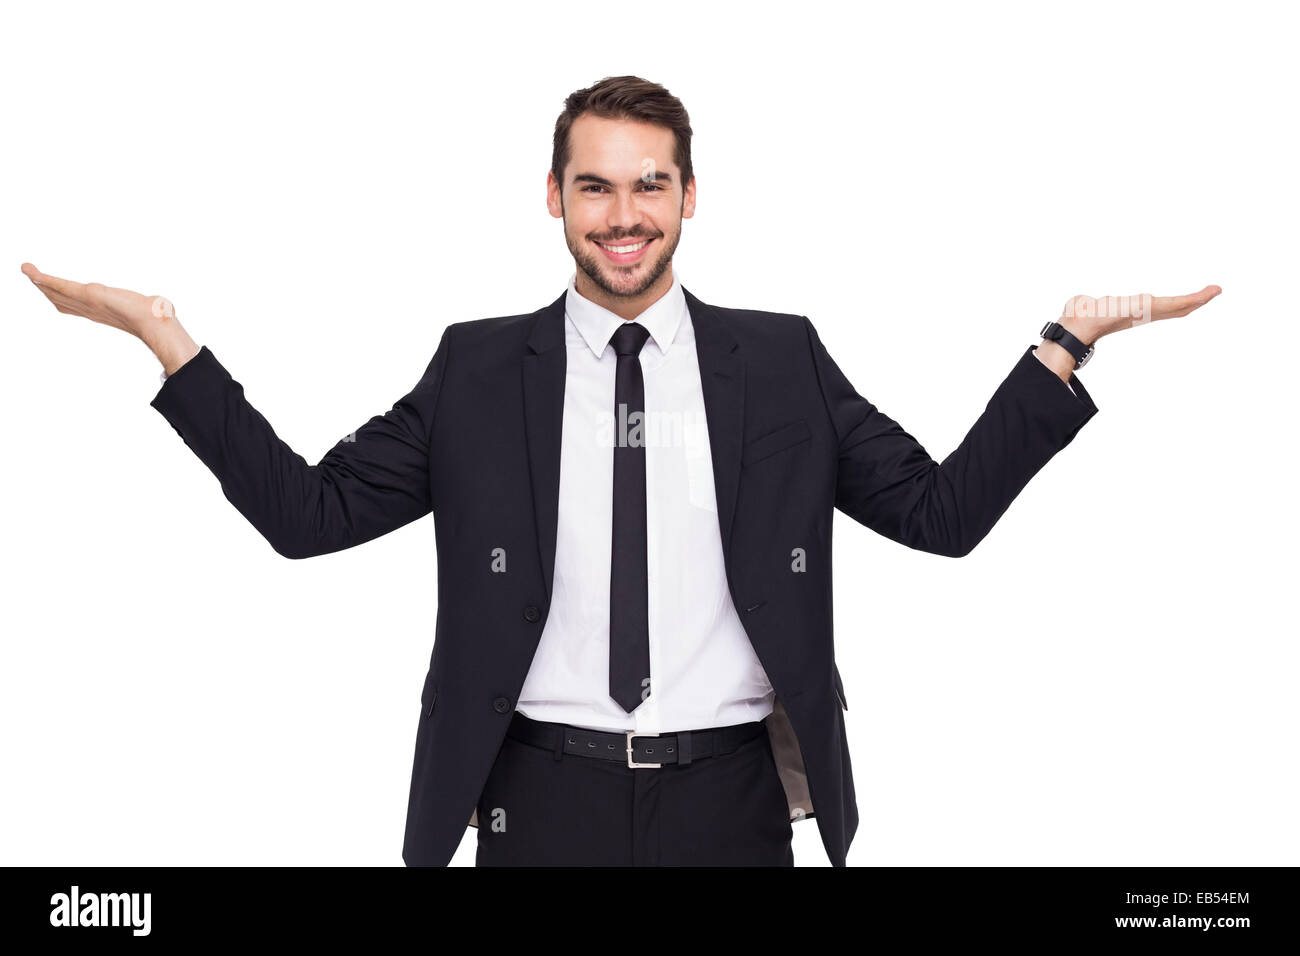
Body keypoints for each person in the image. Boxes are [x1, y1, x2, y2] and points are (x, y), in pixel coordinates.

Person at [22, 74, 1222, 867]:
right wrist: (167, 338)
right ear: (554, 199)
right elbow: (307, 515)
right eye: (594, 185)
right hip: (538, 797)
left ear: (689, 197)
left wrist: (1061, 344)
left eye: (650, 182)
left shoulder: (783, 356)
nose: (623, 212)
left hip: (734, 802)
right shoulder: (481, 367)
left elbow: (940, 513)